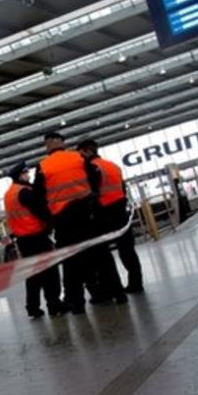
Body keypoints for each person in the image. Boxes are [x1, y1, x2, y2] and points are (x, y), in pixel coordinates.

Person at [34, 132, 126, 314]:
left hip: (64, 221)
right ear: (63, 142)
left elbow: (38, 197)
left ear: (47, 146)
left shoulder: (42, 166)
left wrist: (50, 218)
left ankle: (77, 304)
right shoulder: (78, 157)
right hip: (88, 214)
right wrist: (92, 198)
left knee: (71, 263)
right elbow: (95, 178)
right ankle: (118, 294)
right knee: (102, 256)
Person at [79, 139, 144, 293]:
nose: (80, 157)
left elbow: (92, 192)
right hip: (121, 211)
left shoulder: (91, 168)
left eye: (81, 153)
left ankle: (112, 287)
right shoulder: (113, 165)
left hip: (103, 214)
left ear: (88, 151)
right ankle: (136, 283)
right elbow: (122, 188)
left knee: (102, 253)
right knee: (127, 250)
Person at [4, 161, 64, 318]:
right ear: (21, 175)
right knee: (50, 272)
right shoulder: (24, 192)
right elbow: (39, 210)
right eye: (26, 173)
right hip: (37, 237)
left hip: (23, 240)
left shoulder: (9, 193)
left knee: (34, 274)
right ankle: (54, 305)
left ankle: (32, 307)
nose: (28, 175)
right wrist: (52, 223)